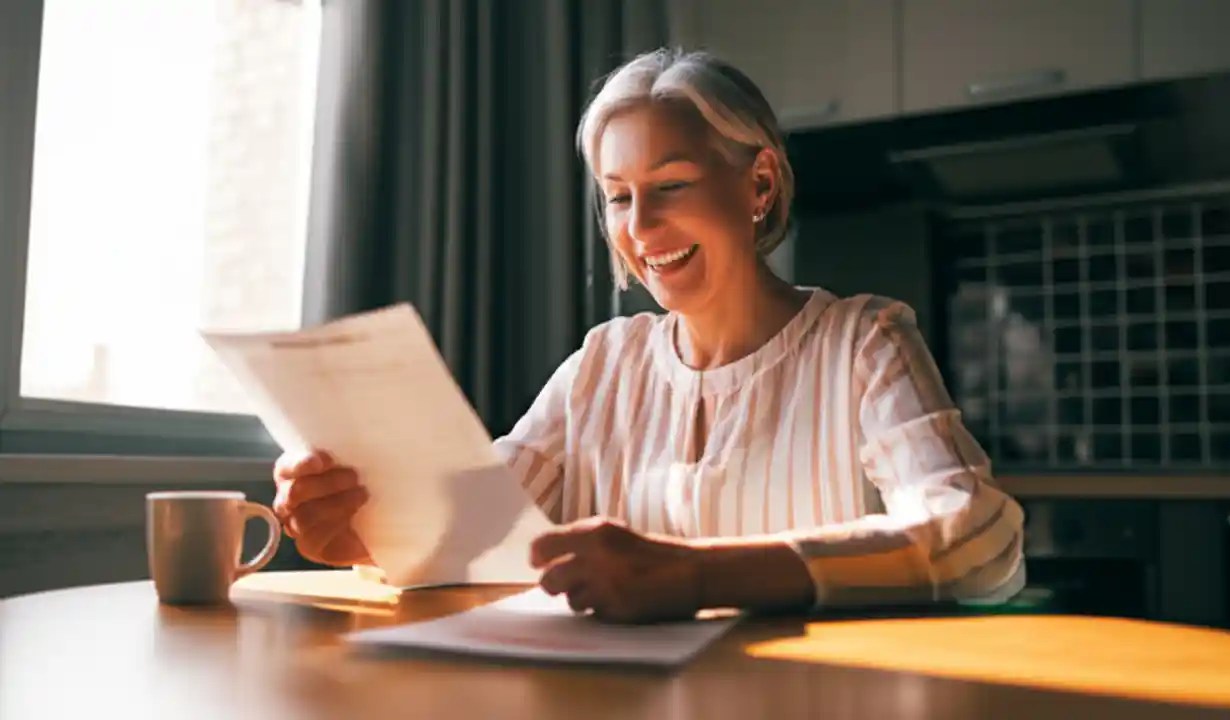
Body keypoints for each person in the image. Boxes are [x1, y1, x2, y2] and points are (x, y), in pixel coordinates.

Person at [272, 49, 1025, 623]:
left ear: (760, 184)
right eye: (618, 197)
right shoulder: (601, 364)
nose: (640, 227)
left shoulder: (863, 342)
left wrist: (699, 575)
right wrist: (362, 532)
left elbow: (975, 538)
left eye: (671, 187)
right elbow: (477, 533)